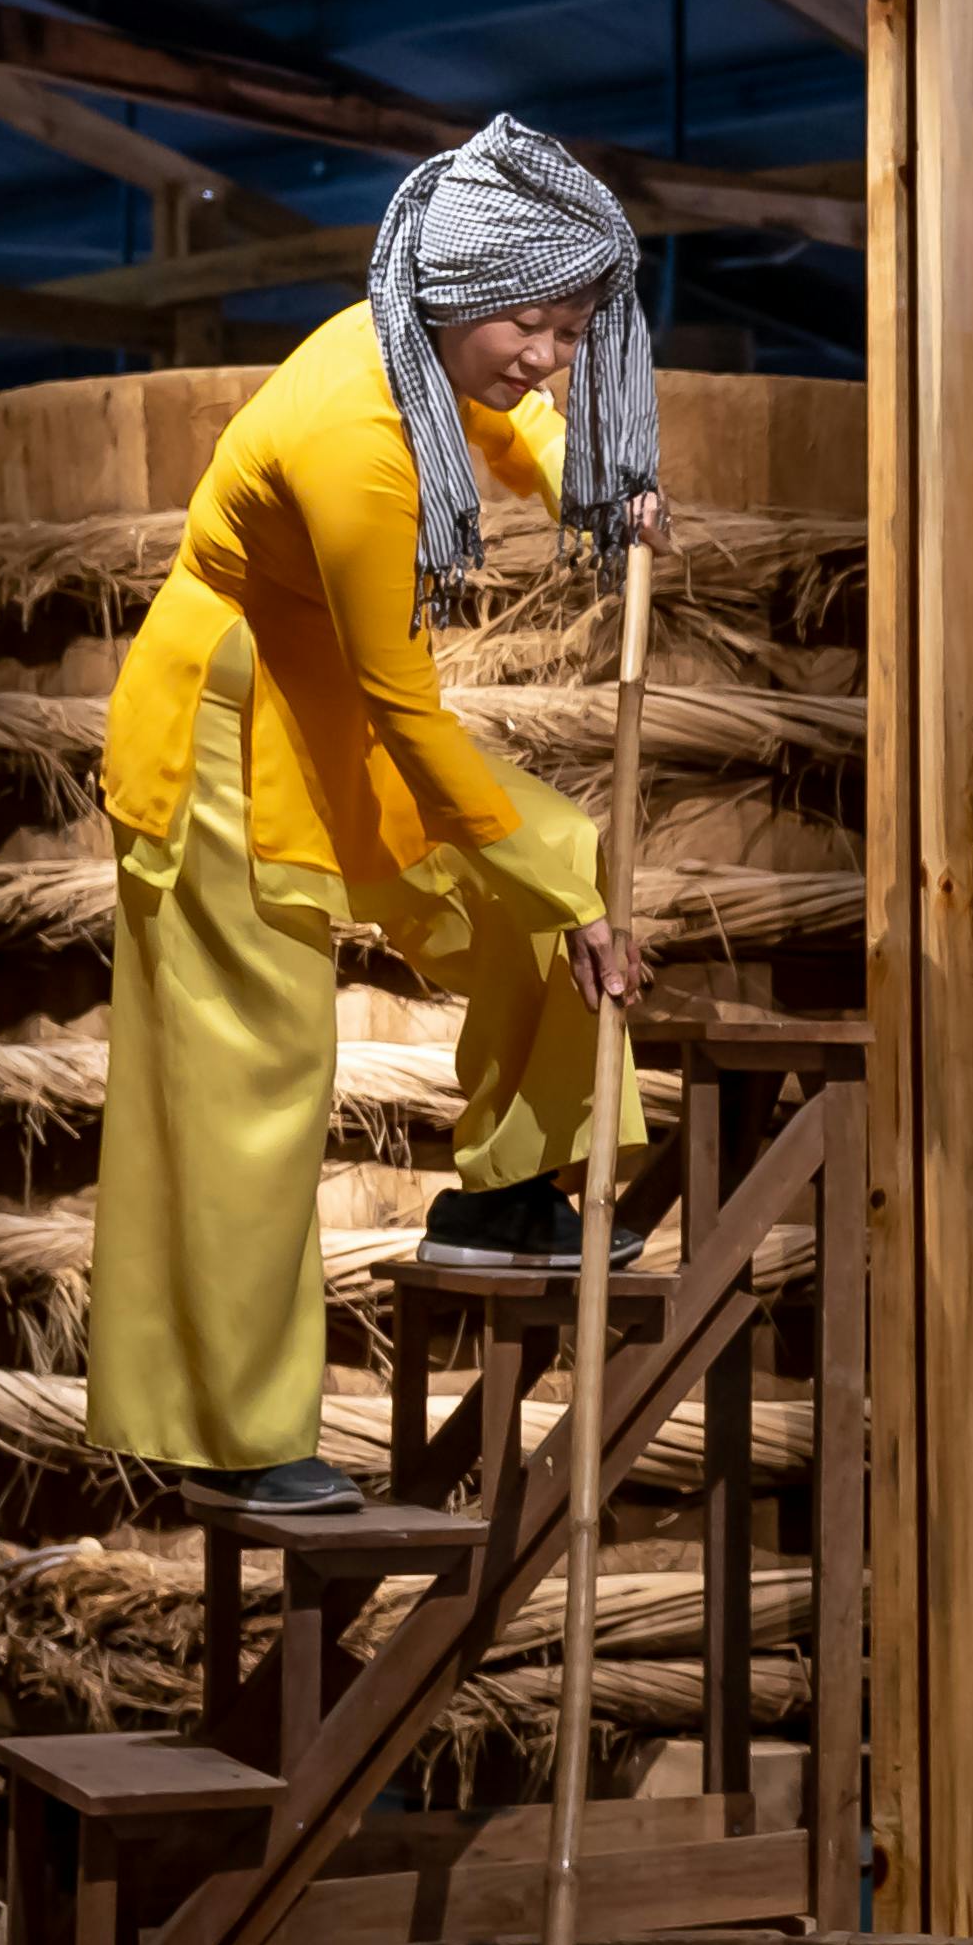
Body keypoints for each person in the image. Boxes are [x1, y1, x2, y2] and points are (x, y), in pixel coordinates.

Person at [82, 115, 672, 1518]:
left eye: (574, 329)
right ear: (464, 293)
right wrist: (572, 905)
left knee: (551, 856)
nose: (548, 356)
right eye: (530, 320)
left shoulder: (424, 350)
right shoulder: (356, 432)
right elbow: (408, 707)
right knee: (255, 1072)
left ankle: (504, 1196)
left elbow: (510, 418)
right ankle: (228, 1434)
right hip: (228, 729)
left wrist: (600, 481)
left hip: (316, 710)